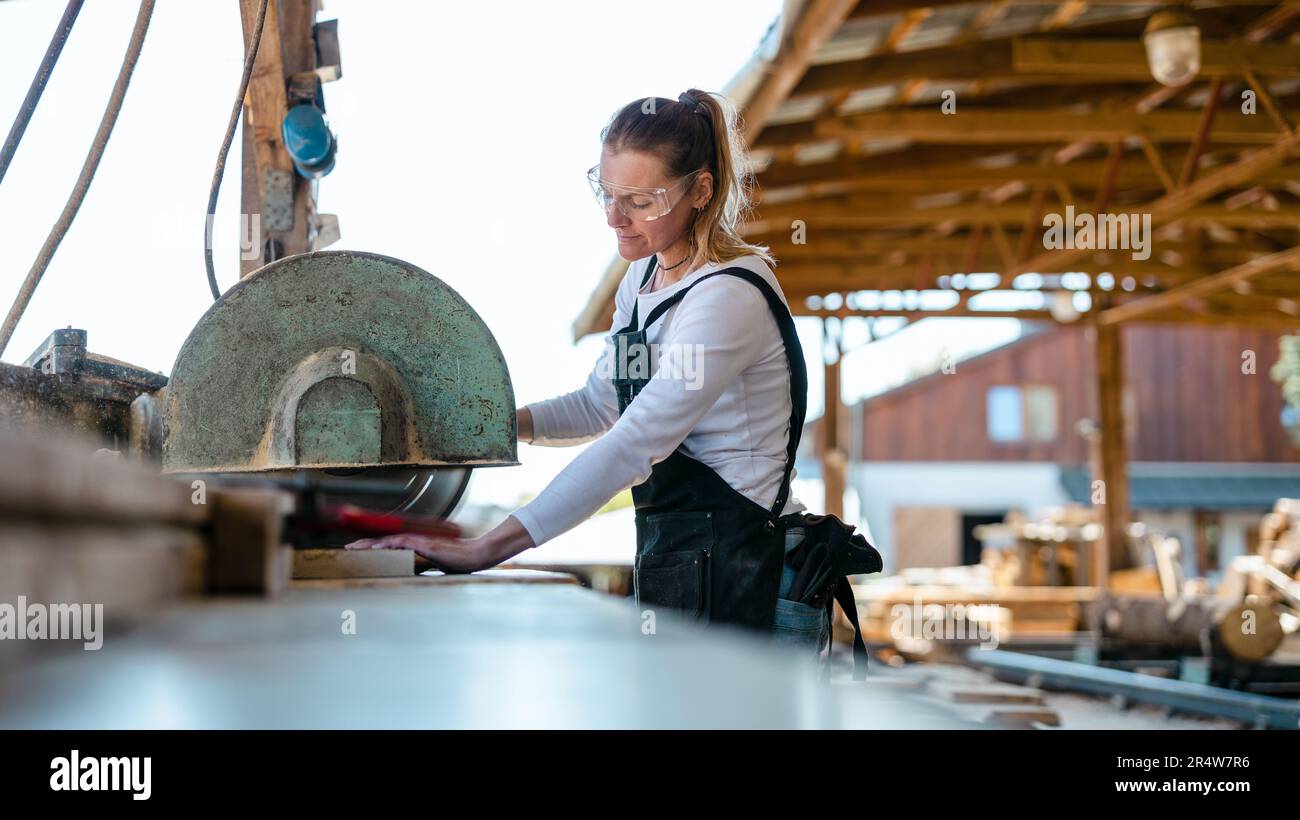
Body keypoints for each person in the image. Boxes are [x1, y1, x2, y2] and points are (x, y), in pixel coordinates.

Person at [348, 89, 820, 644]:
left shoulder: (725, 296)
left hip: (754, 574)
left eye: (641, 201)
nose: (613, 217)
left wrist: (484, 548)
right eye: (607, 192)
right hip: (685, 559)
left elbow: (635, 439)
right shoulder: (643, 282)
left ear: (700, 190)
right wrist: (479, 428)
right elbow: (602, 404)